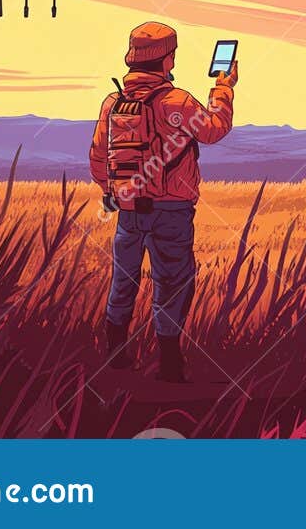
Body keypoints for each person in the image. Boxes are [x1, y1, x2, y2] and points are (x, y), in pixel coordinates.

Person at [89, 21, 237, 383]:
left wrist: (119, 190)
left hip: (127, 208)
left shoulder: (113, 102)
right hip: (172, 211)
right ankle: (170, 363)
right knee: (172, 282)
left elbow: (97, 156)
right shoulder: (178, 101)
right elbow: (215, 128)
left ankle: (116, 358)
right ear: (167, 59)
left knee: (123, 280)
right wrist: (223, 87)